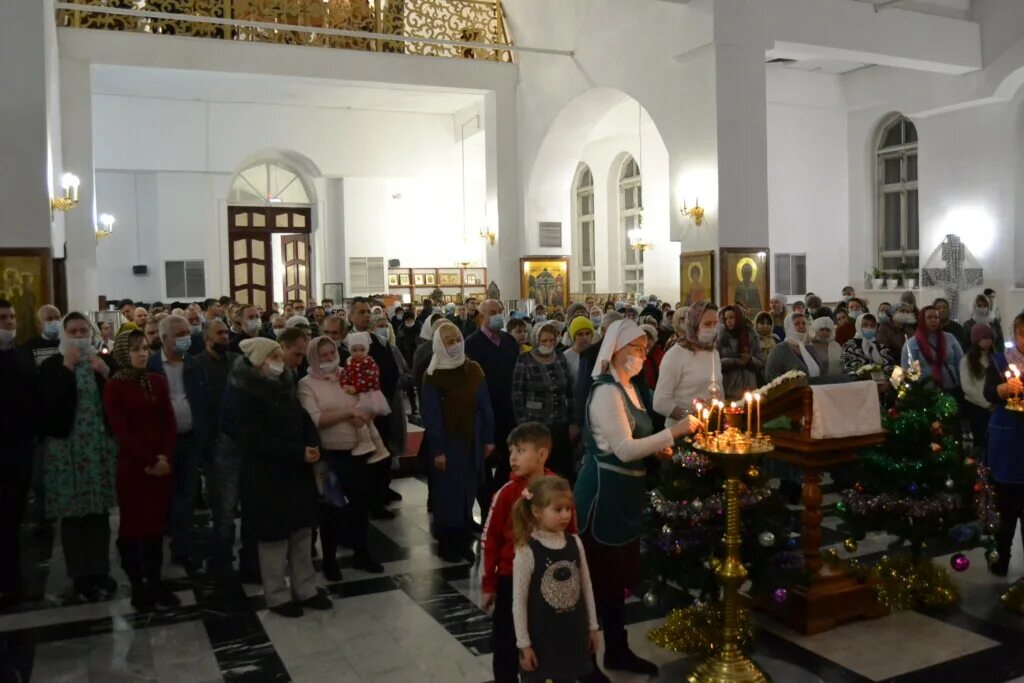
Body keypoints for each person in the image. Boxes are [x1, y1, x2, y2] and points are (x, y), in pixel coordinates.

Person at [575, 320, 700, 679]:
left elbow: (638, 437)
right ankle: (587, 663)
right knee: (597, 585)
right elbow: (625, 448)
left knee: (616, 585)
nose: (642, 356)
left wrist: (658, 448)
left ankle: (617, 649)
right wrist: (672, 433)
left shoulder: (630, 387)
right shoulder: (606, 392)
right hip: (603, 496)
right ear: (615, 350)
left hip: (626, 494)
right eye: (636, 349)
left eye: (645, 349)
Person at [232, 337, 331, 617]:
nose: (280, 362)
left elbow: (302, 419)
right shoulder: (245, 394)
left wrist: (312, 444)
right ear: (259, 362)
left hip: (296, 473)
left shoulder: (285, 384)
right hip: (266, 475)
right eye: (273, 357)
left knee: (302, 532)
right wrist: (297, 452)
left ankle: (306, 588)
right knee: (274, 539)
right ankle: (276, 595)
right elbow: (255, 440)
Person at [481, 423, 577, 683]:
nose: (513, 457)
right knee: (506, 641)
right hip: (511, 579)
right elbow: (490, 540)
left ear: (542, 455)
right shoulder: (506, 493)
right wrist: (489, 583)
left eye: (521, 450)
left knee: (545, 640)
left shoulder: (558, 489)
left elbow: (572, 534)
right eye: (511, 450)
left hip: (547, 578)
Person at [38, 312, 117, 602]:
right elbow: (47, 404)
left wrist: (106, 373)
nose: (80, 336)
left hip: (98, 446)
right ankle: (79, 575)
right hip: (67, 448)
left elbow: (121, 397)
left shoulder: (103, 362)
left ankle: (100, 570)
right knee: (73, 515)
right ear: (64, 335)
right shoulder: (51, 365)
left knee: (98, 512)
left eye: (84, 330)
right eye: (73, 331)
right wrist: (67, 368)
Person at [103, 331, 180, 611]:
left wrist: (165, 457)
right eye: (135, 349)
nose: (142, 354)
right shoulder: (115, 386)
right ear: (124, 353)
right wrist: (149, 460)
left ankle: (156, 582)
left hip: (161, 466)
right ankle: (138, 586)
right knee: (134, 529)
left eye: (145, 348)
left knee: (156, 528)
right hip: (134, 468)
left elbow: (169, 422)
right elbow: (121, 431)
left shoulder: (156, 382)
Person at [299, 336, 385, 580]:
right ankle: (329, 560)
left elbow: (368, 399)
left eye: (331, 353)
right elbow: (315, 419)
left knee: (360, 505)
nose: (328, 358)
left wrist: (364, 413)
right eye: (322, 355)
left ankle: (362, 553)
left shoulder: (349, 373)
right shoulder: (306, 384)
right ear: (314, 357)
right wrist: (348, 412)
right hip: (329, 454)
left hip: (359, 449)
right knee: (332, 509)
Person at [513, 476, 599, 683]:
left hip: (572, 632)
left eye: (568, 509)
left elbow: (586, 587)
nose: (565, 515)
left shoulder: (575, 542)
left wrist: (592, 627)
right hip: (543, 638)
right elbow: (519, 601)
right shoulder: (527, 550)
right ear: (536, 511)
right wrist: (524, 644)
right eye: (558, 509)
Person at [421, 323, 495, 562]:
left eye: (457, 339)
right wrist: (439, 449)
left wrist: (488, 439)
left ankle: (464, 539)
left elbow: (485, 405)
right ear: (439, 345)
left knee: (468, 490)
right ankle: (448, 544)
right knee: (448, 495)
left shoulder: (473, 369)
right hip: (449, 442)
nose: (455, 344)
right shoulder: (433, 375)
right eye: (449, 341)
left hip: (473, 439)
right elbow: (431, 416)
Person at [147, 314, 209, 572]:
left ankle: (182, 549)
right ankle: (156, 550)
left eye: (187, 333)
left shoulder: (193, 364)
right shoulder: (150, 367)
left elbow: (202, 399)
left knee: (186, 496)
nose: (186, 339)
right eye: (180, 335)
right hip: (163, 443)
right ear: (163, 339)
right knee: (163, 497)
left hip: (190, 439)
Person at [346, 298, 403, 518]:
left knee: (382, 451)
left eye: (369, 312)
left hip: (379, 406)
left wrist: (379, 397)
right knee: (363, 456)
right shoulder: (344, 342)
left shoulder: (379, 341)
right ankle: (366, 499)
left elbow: (391, 371)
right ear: (351, 316)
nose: (366, 316)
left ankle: (381, 494)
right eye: (361, 312)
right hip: (355, 410)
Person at [465, 299, 519, 514]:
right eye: (492, 312)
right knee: (484, 462)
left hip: (508, 410)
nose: (497, 315)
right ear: (482, 315)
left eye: (499, 311)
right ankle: (487, 507)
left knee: (509, 458)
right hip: (485, 411)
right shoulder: (472, 344)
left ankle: (503, 500)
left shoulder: (509, 341)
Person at [0, 299, 38, 608]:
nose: (10, 321)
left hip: (20, 449)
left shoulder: (21, 354)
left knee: (13, 519)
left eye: (12, 316)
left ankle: (12, 581)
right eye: (3, 317)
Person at [983, 313, 1024, 577]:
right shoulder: (1000, 361)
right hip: (1009, 440)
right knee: (1007, 508)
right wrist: (1002, 390)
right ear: (1016, 333)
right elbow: (988, 392)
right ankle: (1001, 559)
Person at [512, 324, 578, 481]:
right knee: (541, 469)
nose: (548, 344)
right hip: (537, 425)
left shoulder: (560, 357)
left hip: (560, 423)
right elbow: (517, 395)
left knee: (562, 470)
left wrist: (573, 422)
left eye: (551, 340)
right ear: (536, 340)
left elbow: (569, 391)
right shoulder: (525, 360)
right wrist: (524, 427)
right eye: (544, 341)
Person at [653, 302, 722, 427]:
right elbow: (660, 402)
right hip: (680, 431)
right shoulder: (675, 355)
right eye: (707, 324)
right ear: (694, 325)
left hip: (711, 428)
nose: (712, 329)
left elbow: (718, 389)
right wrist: (689, 417)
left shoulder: (713, 353)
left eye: (715, 324)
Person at [339, 332, 391, 460]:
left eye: (362, 350)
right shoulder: (349, 362)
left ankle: (366, 443)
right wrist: (345, 384)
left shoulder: (369, 362)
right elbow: (345, 375)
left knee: (358, 418)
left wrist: (356, 388)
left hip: (370, 396)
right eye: (354, 350)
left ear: (367, 350)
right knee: (369, 423)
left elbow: (372, 380)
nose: (358, 353)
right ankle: (380, 448)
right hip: (362, 395)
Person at [902, 306, 964, 394]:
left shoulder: (949, 338)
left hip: (951, 389)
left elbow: (960, 363)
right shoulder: (912, 343)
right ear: (922, 320)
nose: (933, 320)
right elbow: (909, 372)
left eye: (936, 317)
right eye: (929, 317)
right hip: (926, 393)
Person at [961, 323, 995, 453]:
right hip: (976, 406)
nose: (988, 341)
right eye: (984, 338)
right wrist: (986, 404)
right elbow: (967, 387)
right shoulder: (967, 360)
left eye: (989, 338)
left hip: (994, 406)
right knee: (980, 440)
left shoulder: (995, 358)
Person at [717, 305, 761, 399]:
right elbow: (716, 362)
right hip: (730, 388)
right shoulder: (721, 338)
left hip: (749, 387)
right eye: (726, 318)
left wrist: (749, 359)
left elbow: (760, 361)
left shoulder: (751, 336)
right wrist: (733, 362)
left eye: (732, 317)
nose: (729, 321)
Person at [764, 312, 817, 382]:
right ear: (789, 326)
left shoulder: (809, 348)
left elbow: (822, 372)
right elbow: (770, 376)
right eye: (797, 324)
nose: (802, 326)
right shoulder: (779, 350)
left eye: (804, 323)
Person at [563, 316, 595, 385]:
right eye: (580, 334)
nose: (584, 337)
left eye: (587, 333)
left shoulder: (598, 353)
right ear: (574, 337)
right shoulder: (565, 356)